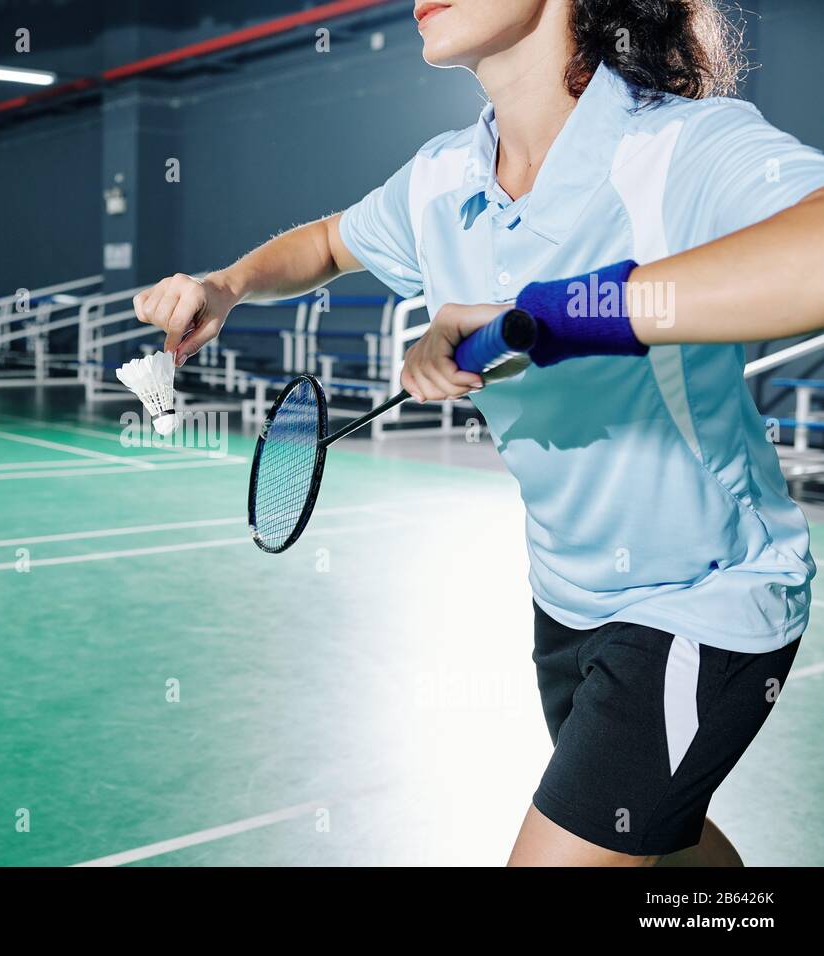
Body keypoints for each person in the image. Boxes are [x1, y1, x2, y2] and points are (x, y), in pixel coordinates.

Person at [131, 0, 824, 866]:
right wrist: (226, 283)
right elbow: (323, 244)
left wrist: (561, 314)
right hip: (566, 600)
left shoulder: (677, 149)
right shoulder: (441, 180)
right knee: (660, 841)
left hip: (704, 596)